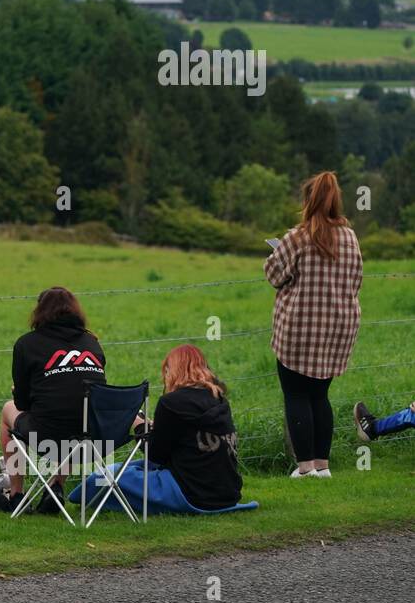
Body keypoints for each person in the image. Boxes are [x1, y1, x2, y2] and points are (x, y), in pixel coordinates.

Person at [264, 171, 363, 479]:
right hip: (338, 328)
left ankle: (304, 467)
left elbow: (273, 275)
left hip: (300, 327)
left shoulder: (297, 237)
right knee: (320, 395)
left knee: (295, 395)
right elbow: (357, 280)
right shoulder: (349, 237)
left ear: (308, 201)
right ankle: (323, 465)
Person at [0, 286, 106, 513]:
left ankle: (17, 494)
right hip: (94, 440)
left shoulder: (27, 344)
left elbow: (22, 404)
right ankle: (56, 485)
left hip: (46, 436)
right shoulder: (92, 343)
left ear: (39, 311)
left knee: (8, 410)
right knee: (78, 412)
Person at [139, 345, 244, 510]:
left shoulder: (171, 402)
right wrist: (159, 428)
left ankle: (84, 495)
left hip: (192, 494)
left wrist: (141, 427)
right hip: (228, 494)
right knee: (137, 466)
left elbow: (155, 455)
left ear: (172, 371)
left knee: (115, 474)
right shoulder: (218, 397)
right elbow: (188, 437)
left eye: (166, 371)